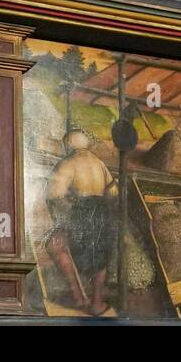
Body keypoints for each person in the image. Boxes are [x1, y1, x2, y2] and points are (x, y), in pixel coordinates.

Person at [45, 130, 117, 316]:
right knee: (99, 257)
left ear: (68, 145)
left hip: (82, 213)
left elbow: (54, 196)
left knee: (54, 245)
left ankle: (78, 298)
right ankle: (97, 303)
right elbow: (113, 192)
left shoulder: (67, 163)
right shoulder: (99, 163)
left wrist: (72, 211)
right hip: (102, 213)